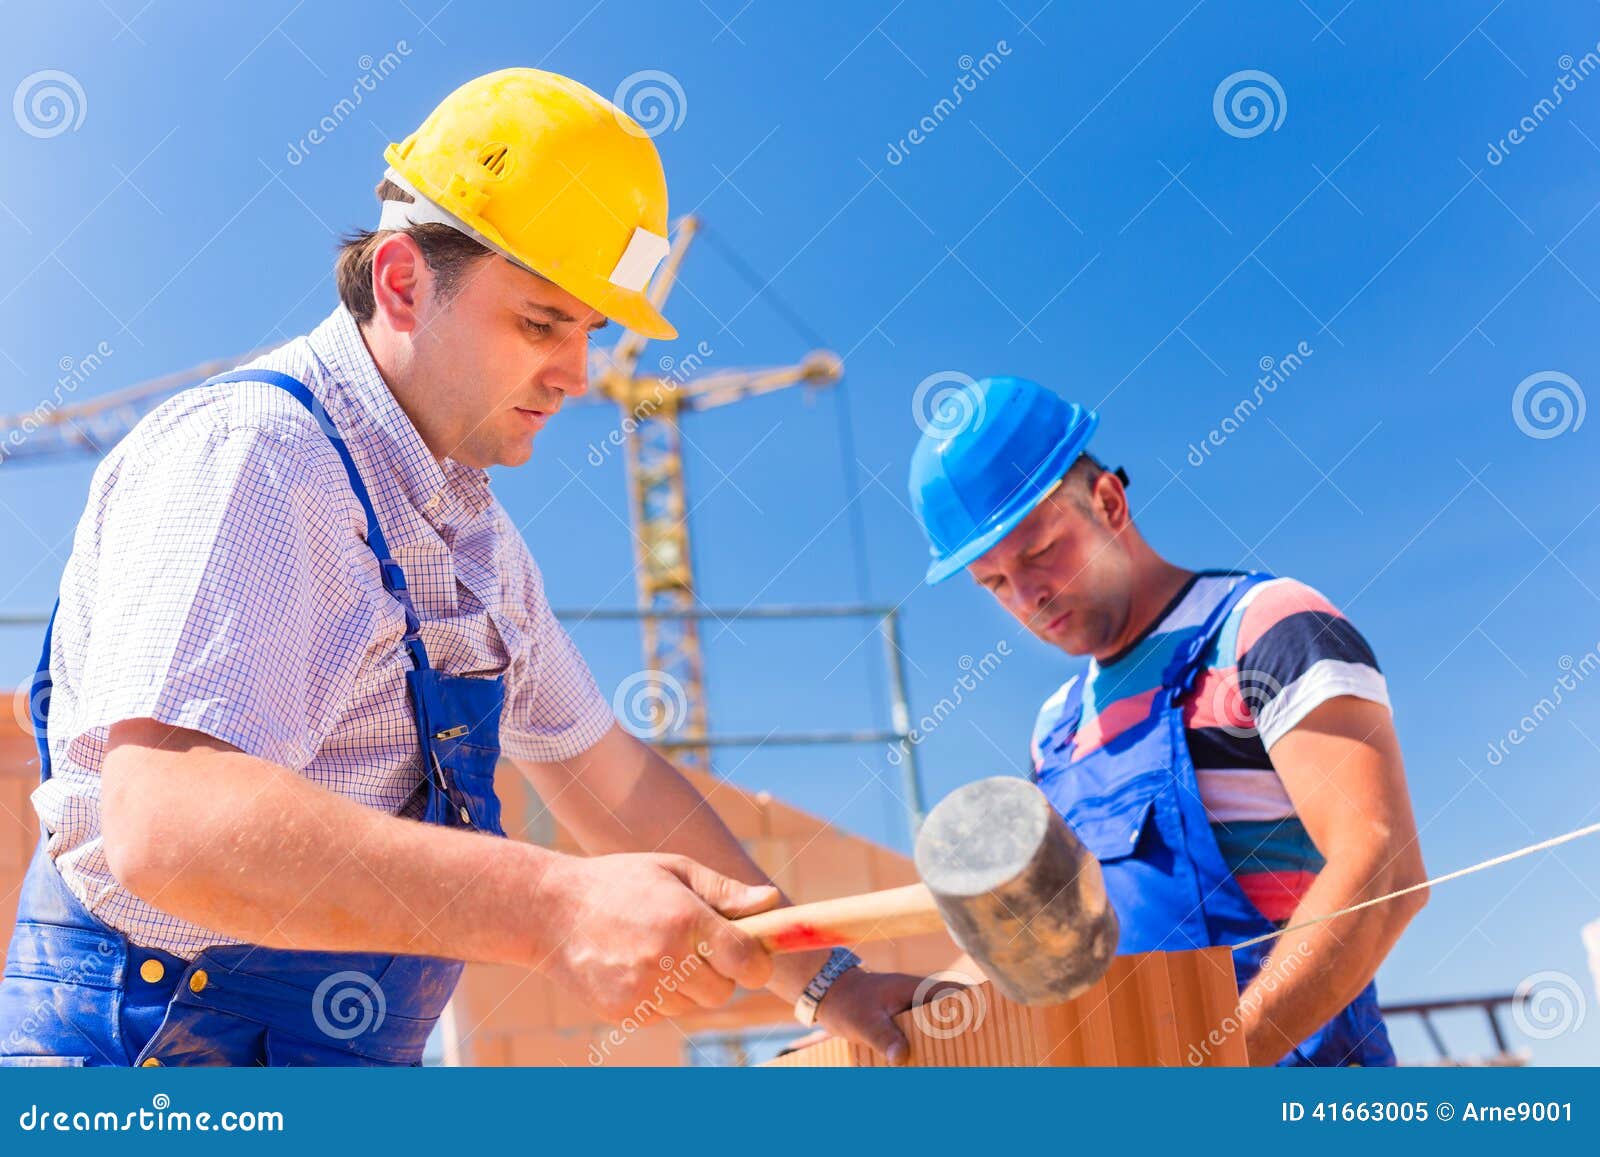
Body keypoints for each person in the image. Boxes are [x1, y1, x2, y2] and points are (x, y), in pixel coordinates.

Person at [0, 69, 919, 1067]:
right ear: (402, 281)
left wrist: (826, 978)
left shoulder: (474, 544)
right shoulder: (255, 456)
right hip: (142, 1055)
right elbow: (168, 825)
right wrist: (555, 904)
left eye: (589, 332)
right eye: (539, 322)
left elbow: (615, 784)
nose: (574, 373)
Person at [907, 375, 1427, 1065]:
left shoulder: (1262, 628)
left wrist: (1215, 1066)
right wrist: (916, 1006)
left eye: (1038, 551)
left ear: (1110, 503)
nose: (1028, 595)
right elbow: (1051, 945)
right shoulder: (1055, 730)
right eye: (996, 583)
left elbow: (1386, 872)